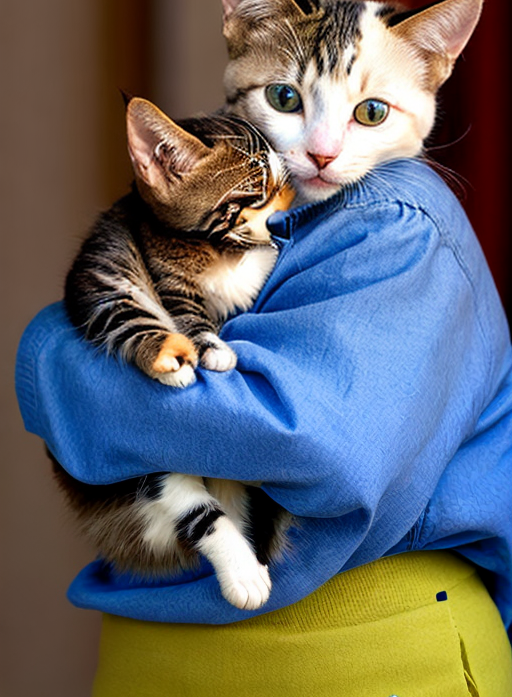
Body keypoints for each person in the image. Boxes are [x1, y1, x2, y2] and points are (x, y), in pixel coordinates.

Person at [16, 157, 512, 695]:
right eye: (282, 93)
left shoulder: (395, 216)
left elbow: (302, 443)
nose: (323, 142)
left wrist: (50, 354)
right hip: (144, 650)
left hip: (363, 652)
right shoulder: (213, 178)